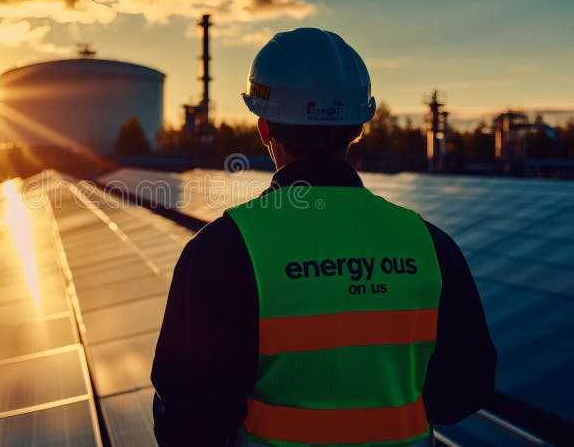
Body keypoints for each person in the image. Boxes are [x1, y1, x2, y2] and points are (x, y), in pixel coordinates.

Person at [151, 28, 497, 446]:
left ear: (264, 128)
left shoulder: (221, 250)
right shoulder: (430, 246)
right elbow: (465, 392)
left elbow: (188, 418)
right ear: (358, 128)